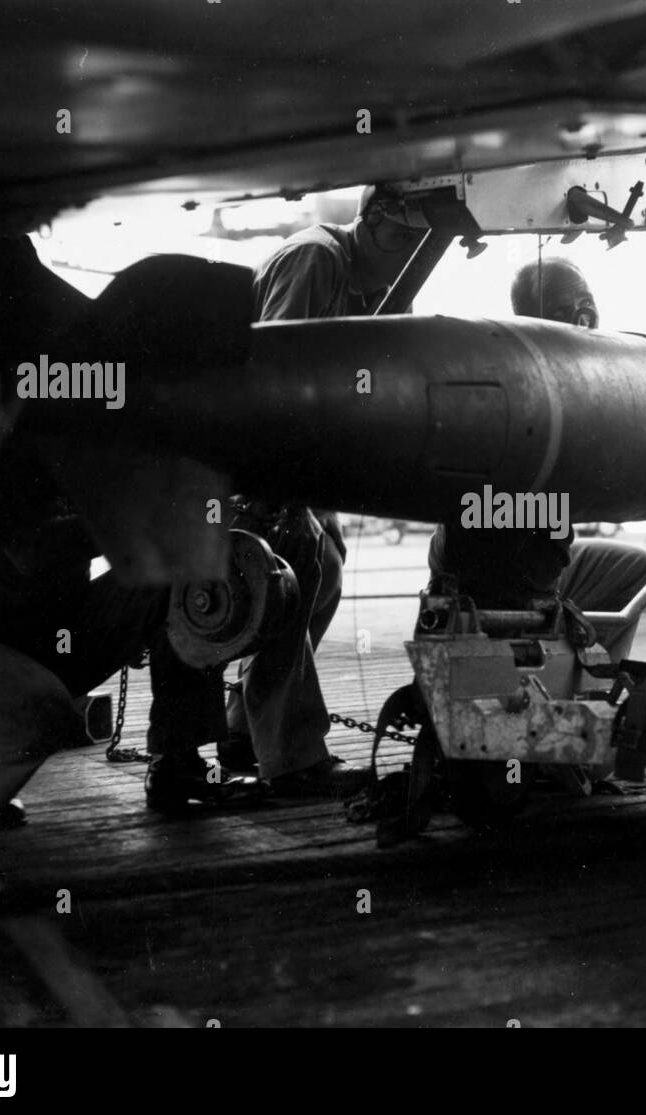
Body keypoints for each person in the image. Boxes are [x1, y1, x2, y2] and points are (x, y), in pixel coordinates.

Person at [223, 185, 428, 795]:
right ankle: (291, 758)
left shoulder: (376, 285)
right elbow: (276, 371)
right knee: (299, 571)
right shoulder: (317, 258)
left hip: (304, 459)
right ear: (368, 223)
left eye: (415, 244)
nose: (404, 254)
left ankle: (243, 729)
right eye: (397, 238)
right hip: (266, 455)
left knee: (327, 572)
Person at [426, 257, 646, 662]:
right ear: (529, 321)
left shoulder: (574, 378)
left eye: (586, 303)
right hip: (501, 579)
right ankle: (574, 672)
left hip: (532, 556)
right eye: (561, 313)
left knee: (635, 567)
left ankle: (593, 678)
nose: (583, 319)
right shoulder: (522, 392)